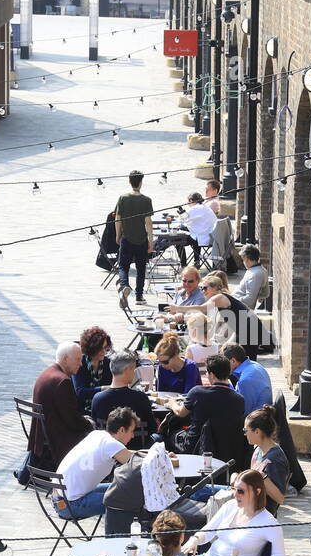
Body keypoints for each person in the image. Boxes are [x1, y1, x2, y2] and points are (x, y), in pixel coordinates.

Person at [181, 470, 285, 556]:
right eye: (234, 489)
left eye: (241, 491)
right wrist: (194, 540)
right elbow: (208, 531)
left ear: (257, 492)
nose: (235, 495)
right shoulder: (230, 506)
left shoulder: (268, 523)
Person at [186, 405, 289, 516]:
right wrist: (239, 477)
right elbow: (252, 479)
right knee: (198, 490)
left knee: (199, 493)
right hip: (246, 495)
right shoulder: (258, 449)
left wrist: (262, 476)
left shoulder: (275, 459)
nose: (244, 434)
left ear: (257, 432)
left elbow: (279, 498)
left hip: (257, 507)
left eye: (246, 430)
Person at [52, 406, 137, 520]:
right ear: (122, 430)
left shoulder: (98, 434)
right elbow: (137, 463)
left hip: (59, 499)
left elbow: (128, 454)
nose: (133, 436)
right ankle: (118, 535)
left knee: (121, 488)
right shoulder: (112, 445)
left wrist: (157, 453)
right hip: (69, 506)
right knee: (128, 499)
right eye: (131, 431)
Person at [165, 272, 265, 360]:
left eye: (205, 288)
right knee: (242, 357)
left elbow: (202, 308)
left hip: (250, 328)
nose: (203, 291)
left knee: (244, 358)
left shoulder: (219, 297)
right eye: (201, 288)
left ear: (214, 288)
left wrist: (178, 308)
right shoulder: (218, 300)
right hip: (246, 328)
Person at [25, 342, 91, 470]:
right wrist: (89, 423)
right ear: (65, 359)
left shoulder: (47, 372)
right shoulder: (63, 381)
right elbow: (72, 420)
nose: (81, 364)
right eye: (78, 359)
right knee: (95, 435)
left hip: (42, 435)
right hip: (57, 438)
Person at [166, 354, 247, 457]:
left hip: (195, 445)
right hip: (224, 448)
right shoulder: (239, 399)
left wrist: (172, 403)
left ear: (212, 375)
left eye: (207, 373)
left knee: (172, 435)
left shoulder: (197, 392)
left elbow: (180, 413)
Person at [114, 170, 155, 304]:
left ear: (129, 181)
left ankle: (124, 285)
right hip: (141, 240)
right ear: (141, 182)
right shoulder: (146, 200)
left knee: (123, 267)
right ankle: (139, 296)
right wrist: (151, 240)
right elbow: (148, 222)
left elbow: (118, 220)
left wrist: (117, 235)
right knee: (141, 269)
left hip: (126, 238)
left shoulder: (123, 198)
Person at [91, 350, 156, 431]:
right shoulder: (140, 398)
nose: (134, 372)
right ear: (127, 370)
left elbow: (96, 428)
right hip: (138, 443)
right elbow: (152, 428)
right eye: (134, 369)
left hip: (109, 443)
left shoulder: (97, 399)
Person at [223, 342, 272, 414]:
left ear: (233, 361)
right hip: (260, 414)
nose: (223, 366)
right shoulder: (254, 364)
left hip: (256, 421)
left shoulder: (244, 381)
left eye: (224, 362)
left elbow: (243, 412)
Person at [71, 326, 113, 411]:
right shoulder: (80, 363)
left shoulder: (108, 362)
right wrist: (102, 389)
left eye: (105, 348)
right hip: (80, 410)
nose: (103, 352)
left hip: (101, 407)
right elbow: (80, 392)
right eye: (100, 348)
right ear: (91, 348)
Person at [181, 192, 217, 267]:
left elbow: (182, 219)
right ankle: (196, 261)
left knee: (177, 240)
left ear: (191, 201)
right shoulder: (206, 207)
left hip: (202, 238)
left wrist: (181, 213)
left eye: (188, 203)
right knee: (195, 235)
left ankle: (183, 264)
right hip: (211, 237)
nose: (188, 205)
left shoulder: (195, 208)